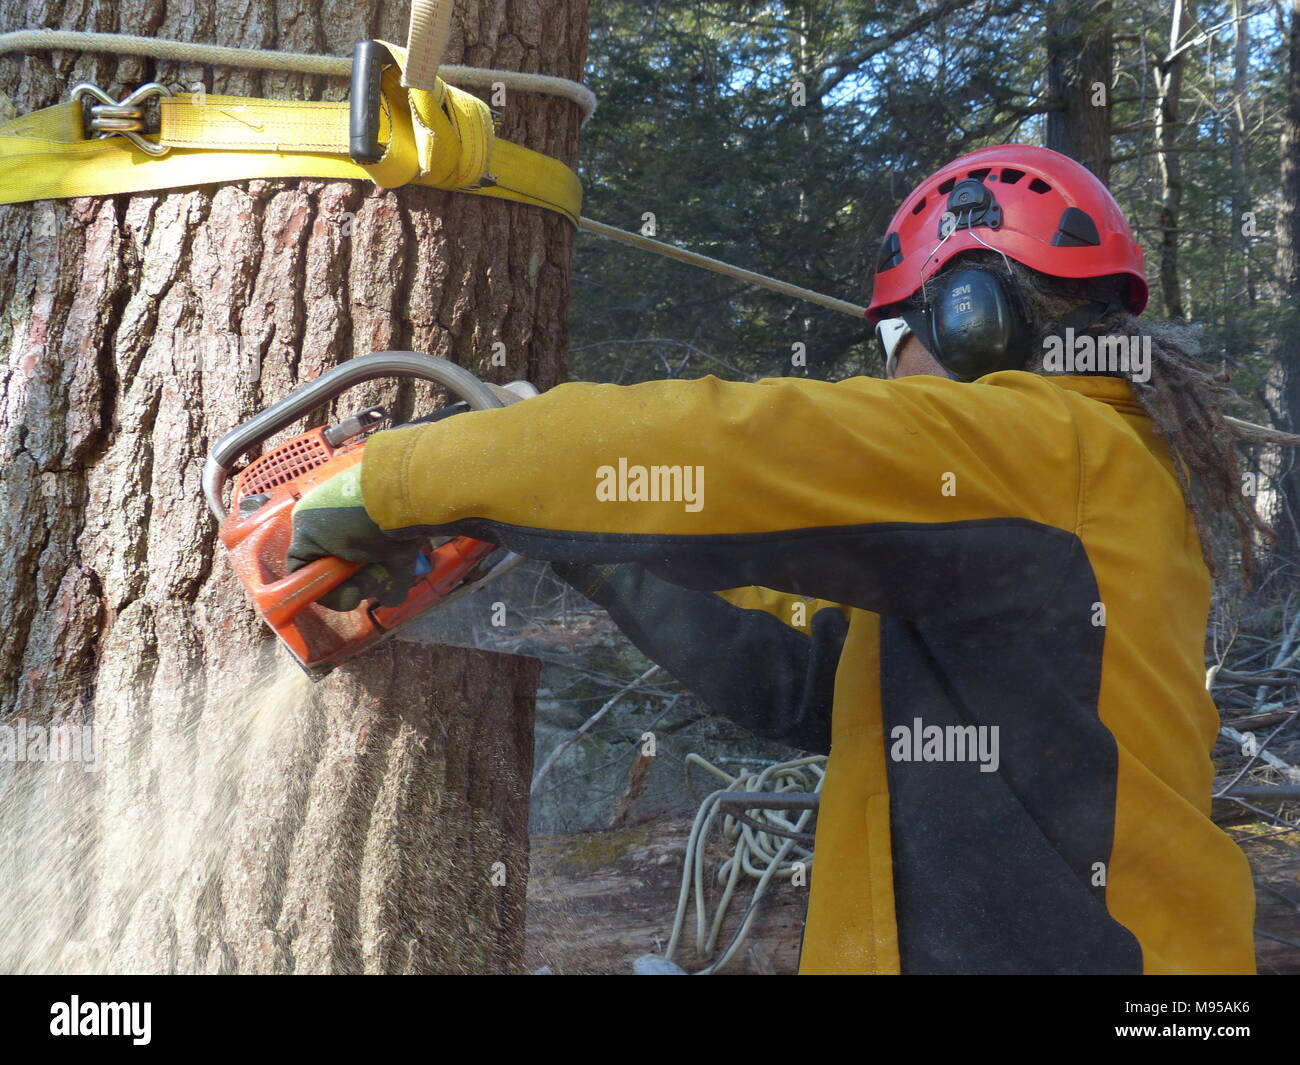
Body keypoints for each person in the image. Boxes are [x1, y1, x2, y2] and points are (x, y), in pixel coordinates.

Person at [286, 145, 1261, 974]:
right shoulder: (1078, 483)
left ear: (973, 316)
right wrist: (554, 529)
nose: (888, 363)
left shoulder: (1044, 447)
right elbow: (796, 671)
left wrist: (394, 475)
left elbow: (734, 449)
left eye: (892, 333)